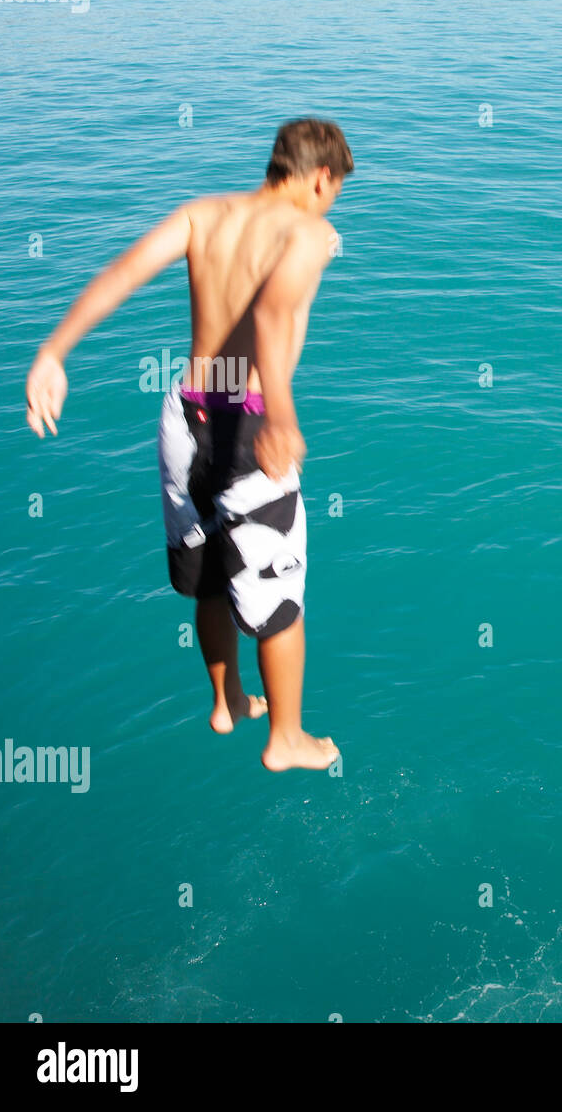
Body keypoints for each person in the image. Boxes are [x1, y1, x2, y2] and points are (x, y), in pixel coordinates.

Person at [25, 118, 352, 772]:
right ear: (321, 179)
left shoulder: (203, 214)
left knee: (208, 577)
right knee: (281, 599)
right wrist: (280, 416)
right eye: (336, 190)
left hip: (185, 417)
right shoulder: (309, 232)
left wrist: (53, 353)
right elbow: (270, 314)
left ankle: (228, 697)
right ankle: (286, 737)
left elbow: (123, 273)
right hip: (250, 429)